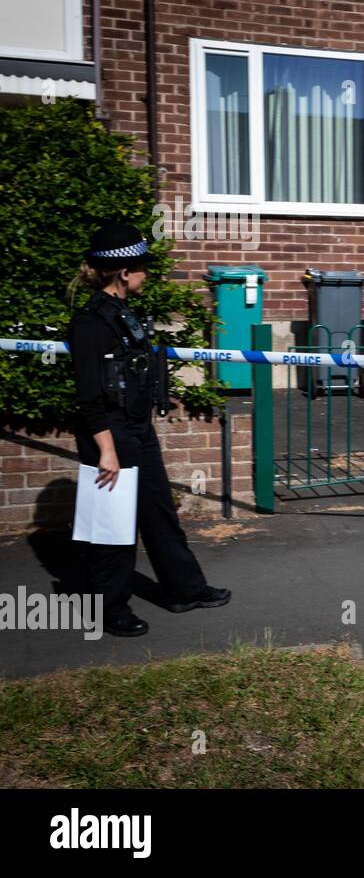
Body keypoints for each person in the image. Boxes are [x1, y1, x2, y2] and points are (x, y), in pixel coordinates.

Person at [66, 224, 230, 637]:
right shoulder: (89, 322)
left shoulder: (124, 312)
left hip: (136, 427)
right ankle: (109, 610)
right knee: (112, 527)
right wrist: (106, 450)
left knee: (159, 512)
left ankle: (185, 590)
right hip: (109, 432)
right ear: (123, 271)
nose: (147, 275)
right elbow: (88, 396)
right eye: (142, 268)